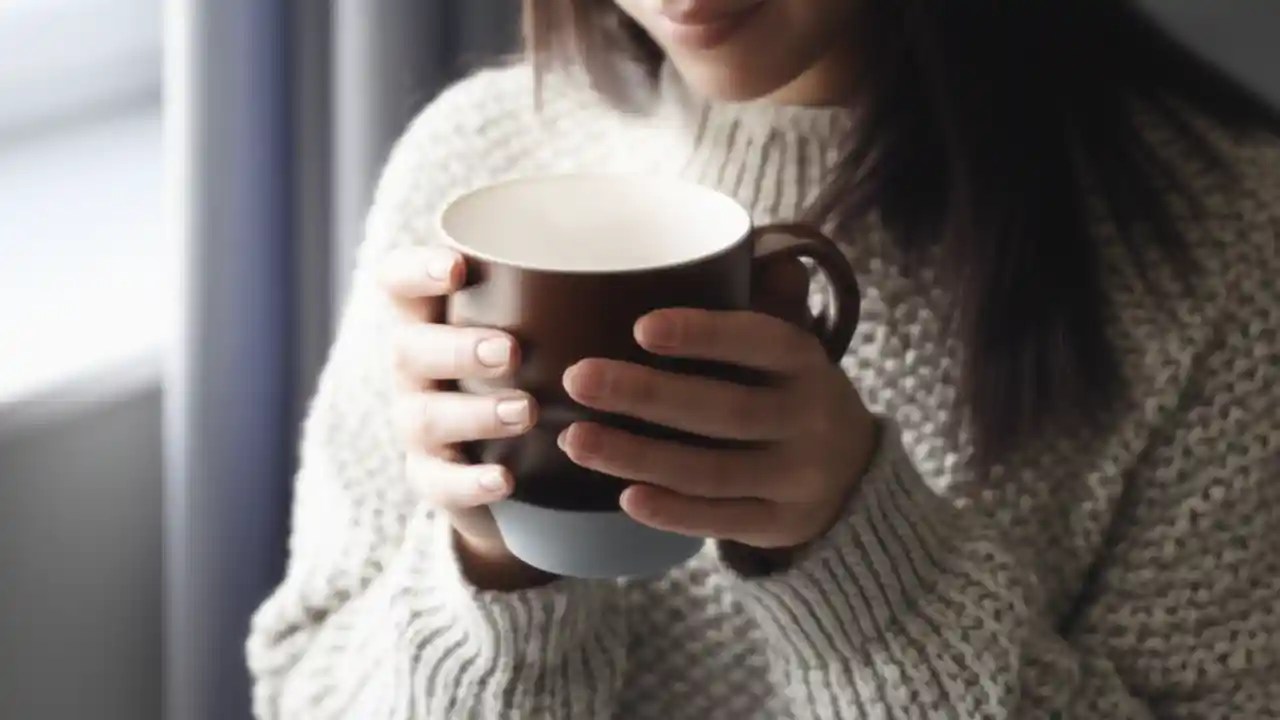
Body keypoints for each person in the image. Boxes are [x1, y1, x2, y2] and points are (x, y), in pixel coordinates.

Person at [246, 1, 1280, 717]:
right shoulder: (473, 162)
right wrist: (493, 566)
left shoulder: (1222, 247)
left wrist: (864, 562)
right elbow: (302, 691)